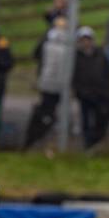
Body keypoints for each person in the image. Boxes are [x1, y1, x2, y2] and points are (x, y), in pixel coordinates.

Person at [24, 18, 71, 150]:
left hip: (47, 82)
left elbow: (37, 55)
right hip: (59, 84)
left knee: (47, 110)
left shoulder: (47, 41)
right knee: (51, 111)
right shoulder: (68, 43)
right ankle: (45, 136)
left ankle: (40, 136)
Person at [72, 27, 109, 149]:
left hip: (100, 94)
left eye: (88, 39)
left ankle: (97, 143)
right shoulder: (76, 57)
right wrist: (79, 91)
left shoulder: (101, 55)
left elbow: (107, 73)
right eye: (83, 40)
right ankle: (87, 144)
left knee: (100, 118)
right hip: (84, 95)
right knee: (85, 120)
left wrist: (106, 90)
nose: (86, 42)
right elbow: (74, 77)